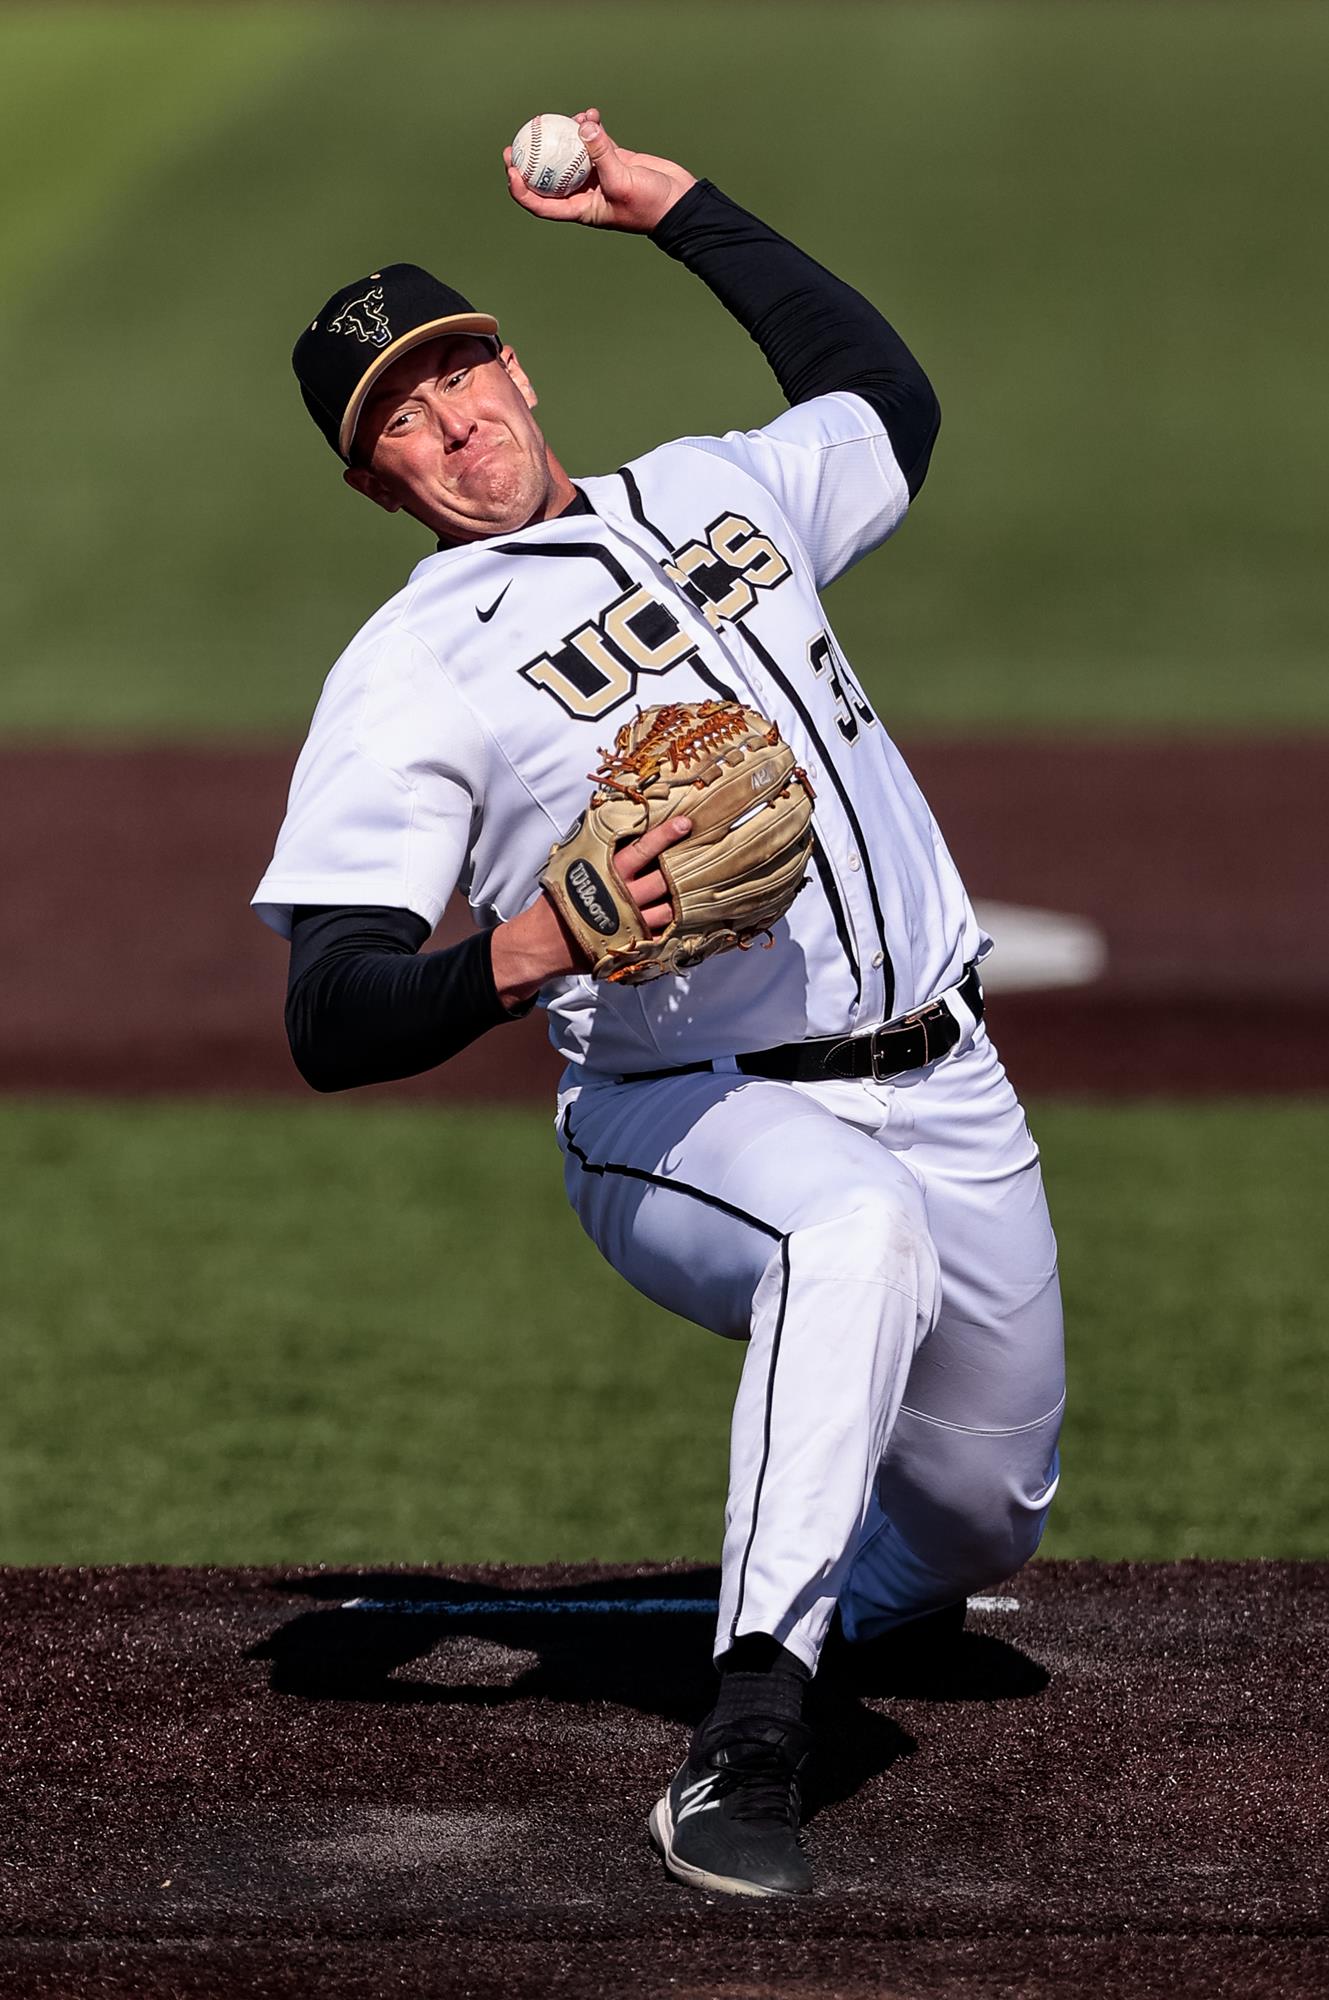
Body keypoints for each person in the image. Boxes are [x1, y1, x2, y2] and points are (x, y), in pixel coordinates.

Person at [253, 111, 1065, 1899]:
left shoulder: (717, 487)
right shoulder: (409, 673)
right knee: (844, 1232)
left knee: (977, 1525)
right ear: (370, 478)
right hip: (685, 1113)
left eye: (460, 370)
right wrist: (530, 943)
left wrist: (674, 208)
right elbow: (330, 1012)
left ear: (516, 367)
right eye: (400, 416)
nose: (454, 422)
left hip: (949, 1074)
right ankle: (747, 1732)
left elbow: (881, 398)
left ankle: (847, 1593)